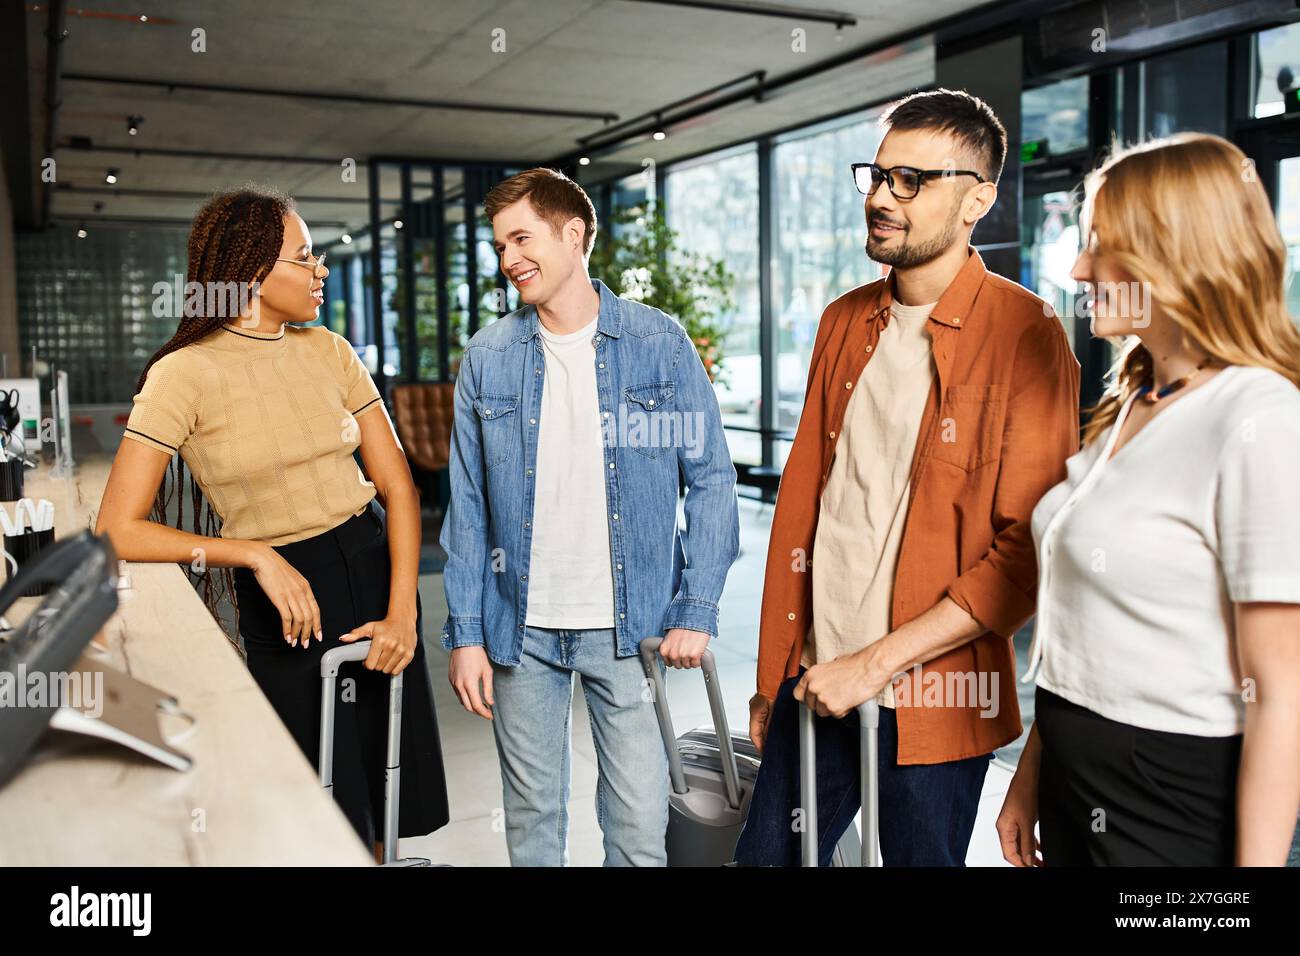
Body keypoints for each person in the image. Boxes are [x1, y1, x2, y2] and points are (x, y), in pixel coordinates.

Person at [734, 89, 1080, 866]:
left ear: (978, 199)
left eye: (911, 181)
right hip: (815, 681)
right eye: (877, 176)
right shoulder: (842, 320)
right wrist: (772, 676)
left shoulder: (1028, 333)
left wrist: (876, 664)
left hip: (934, 698)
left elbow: (1025, 555)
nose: (881, 198)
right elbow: (802, 509)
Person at [96, 185, 449, 859]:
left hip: (375, 570)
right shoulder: (183, 374)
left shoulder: (331, 351)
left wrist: (404, 611)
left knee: (387, 792)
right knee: (320, 800)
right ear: (253, 272)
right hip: (289, 599)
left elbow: (398, 488)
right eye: (305, 256)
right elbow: (118, 527)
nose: (320, 270)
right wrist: (253, 554)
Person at [996, 133, 1300, 867]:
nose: (1077, 268)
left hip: (1167, 803)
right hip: (1077, 775)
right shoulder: (1129, 402)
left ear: (1177, 256)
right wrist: (1032, 779)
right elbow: (1089, 623)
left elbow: (1282, 696)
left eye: (1099, 244)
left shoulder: (1257, 417)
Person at [440, 167, 739, 866]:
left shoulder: (658, 342)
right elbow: (470, 506)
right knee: (534, 825)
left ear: (573, 235)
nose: (509, 258)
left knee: (636, 831)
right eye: (500, 244)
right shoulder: (488, 358)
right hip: (523, 633)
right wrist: (465, 632)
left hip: (631, 631)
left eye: (522, 238)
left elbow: (711, 477)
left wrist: (696, 606)